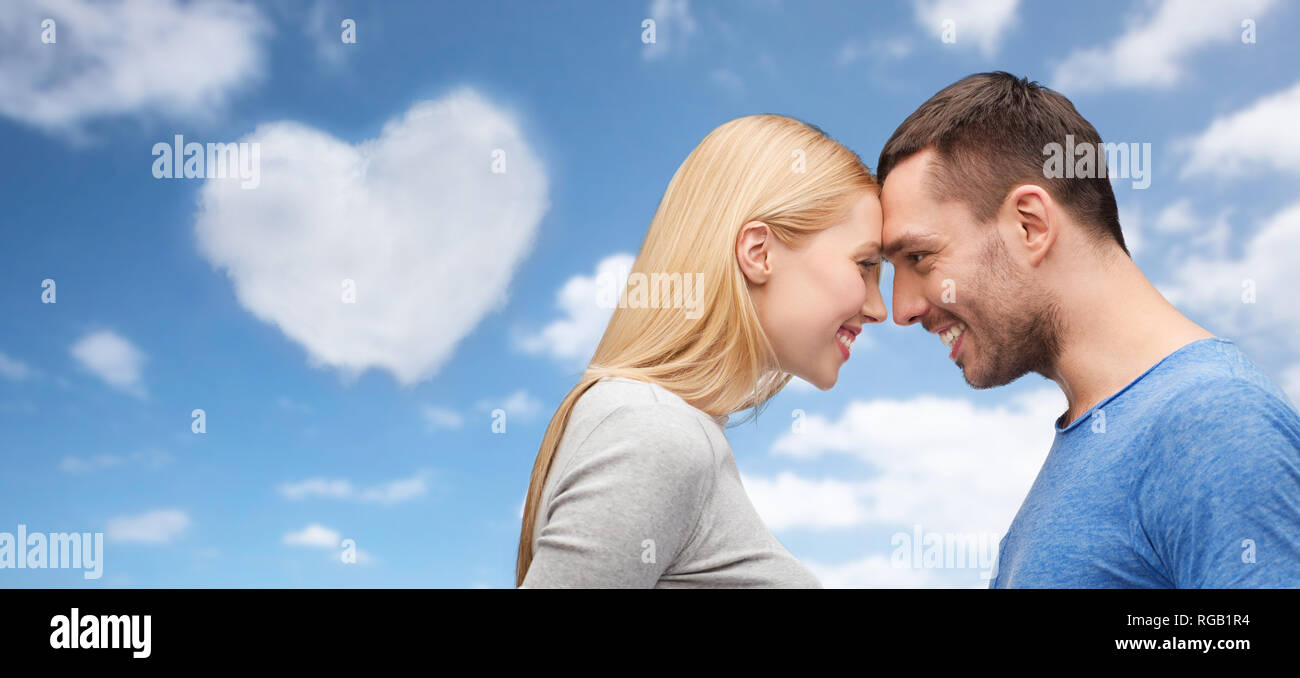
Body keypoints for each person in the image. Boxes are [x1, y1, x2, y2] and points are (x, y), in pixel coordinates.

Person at [876, 71, 1300, 587]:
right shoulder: (1095, 439)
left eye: (919, 256)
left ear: (1029, 224)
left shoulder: (1215, 420)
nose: (900, 309)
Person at [517, 114, 886, 587]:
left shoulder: (657, 426)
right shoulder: (654, 432)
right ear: (759, 252)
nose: (878, 308)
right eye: (865, 265)